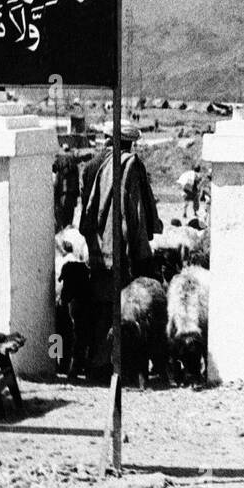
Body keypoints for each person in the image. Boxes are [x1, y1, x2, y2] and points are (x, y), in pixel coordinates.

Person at [79, 128, 163, 379]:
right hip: (119, 249)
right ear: (130, 143)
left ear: (107, 139)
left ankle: (91, 365)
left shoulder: (93, 164)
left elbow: (87, 206)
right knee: (123, 309)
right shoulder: (130, 166)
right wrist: (141, 251)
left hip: (96, 247)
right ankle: (119, 365)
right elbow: (135, 212)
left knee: (98, 307)